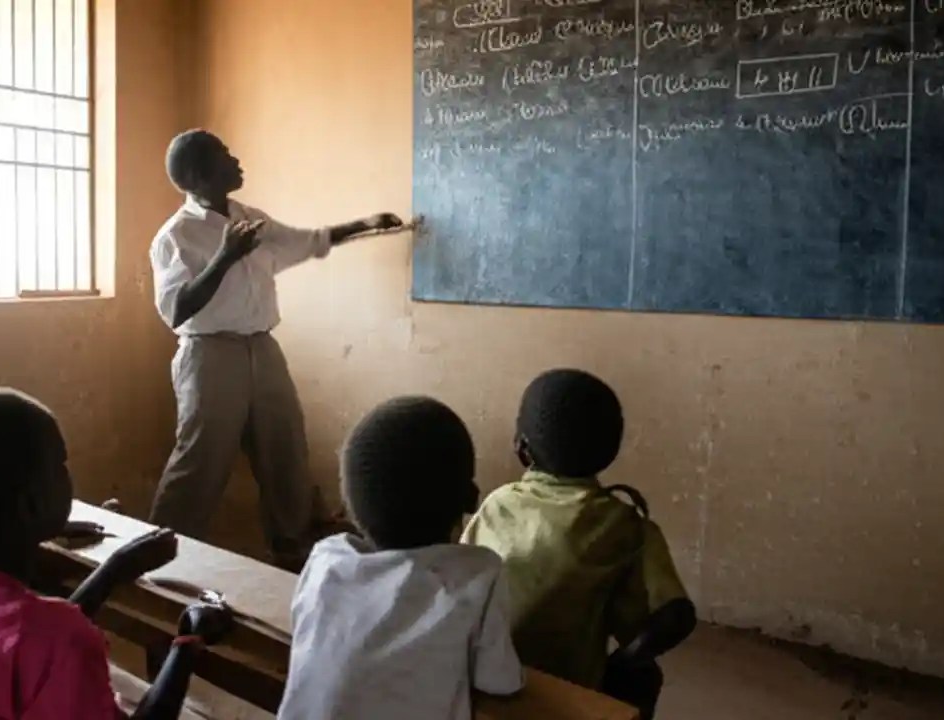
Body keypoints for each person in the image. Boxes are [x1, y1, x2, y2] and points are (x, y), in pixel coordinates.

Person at [0, 388, 231, 720]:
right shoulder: (58, 638)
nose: (68, 475)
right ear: (31, 505)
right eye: (60, 465)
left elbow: (26, 639)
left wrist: (114, 570)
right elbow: (46, 639)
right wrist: (188, 643)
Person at [148, 129, 405, 570]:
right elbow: (176, 308)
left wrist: (362, 226)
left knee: (285, 450)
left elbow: (305, 241)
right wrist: (225, 256)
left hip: (262, 348)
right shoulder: (176, 235)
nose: (236, 159)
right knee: (199, 463)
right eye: (224, 155)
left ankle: (290, 550)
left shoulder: (250, 218)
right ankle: (160, 558)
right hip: (210, 357)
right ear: (196, 175)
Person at [462, 369, 696, 720]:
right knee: (645, 676)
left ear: (521, 449)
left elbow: (460, 581)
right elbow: (676, 617)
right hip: (571, 688)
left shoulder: (498, 504)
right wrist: (623, 661)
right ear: (611, 451)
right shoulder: (625, 526)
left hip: (482, 680)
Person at [278, 396, 524, 720]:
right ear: (468, 499)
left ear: (351, 501)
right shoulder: (478, 575)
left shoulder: (326, 559)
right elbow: (501, 682)